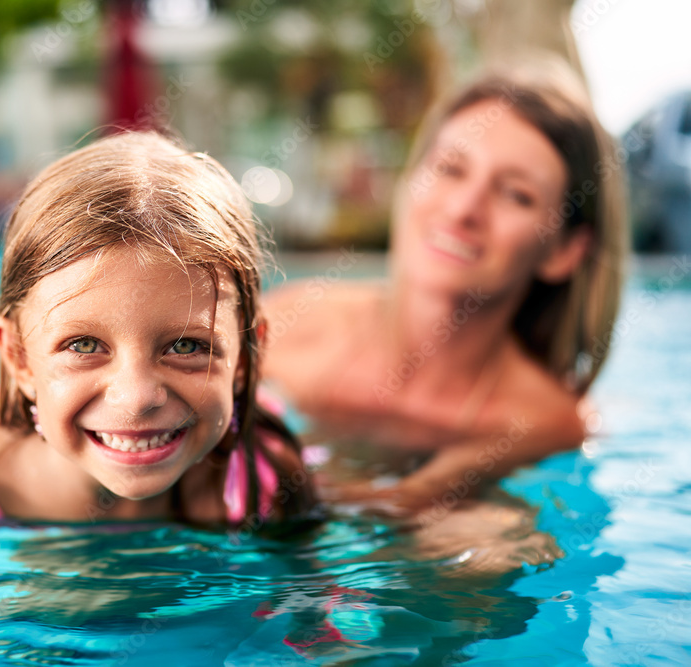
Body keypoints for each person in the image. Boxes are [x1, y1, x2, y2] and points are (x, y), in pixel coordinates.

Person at [261, 59, 627, 515]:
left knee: (495, 545)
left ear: (565, 250)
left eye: (516, 194)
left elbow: (408, 506)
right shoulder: (283, 326)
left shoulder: (544, 419)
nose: (462, 209)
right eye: (451, 169)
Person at [0, 131, 313, 527]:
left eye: (185, 347)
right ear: (19, 357)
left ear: (247, 357)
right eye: (85, 344)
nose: (136, 398)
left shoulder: (263, 484)